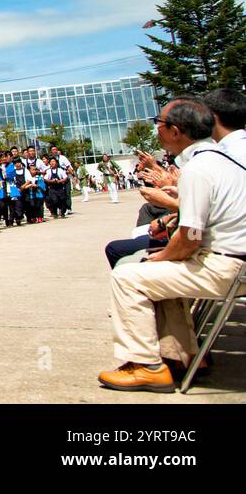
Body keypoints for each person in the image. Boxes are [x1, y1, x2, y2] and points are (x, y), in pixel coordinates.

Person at [99, 98, 246, 392]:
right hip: (234, 262)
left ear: (176, 131)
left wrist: (161, 257)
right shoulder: (221, 160)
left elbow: (189, 238)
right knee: (158, 270)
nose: (157, 130)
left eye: (159, 124)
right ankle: (182, 354)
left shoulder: (198, 169)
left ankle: (144, 364)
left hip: (225, 266)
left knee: (127, 277)